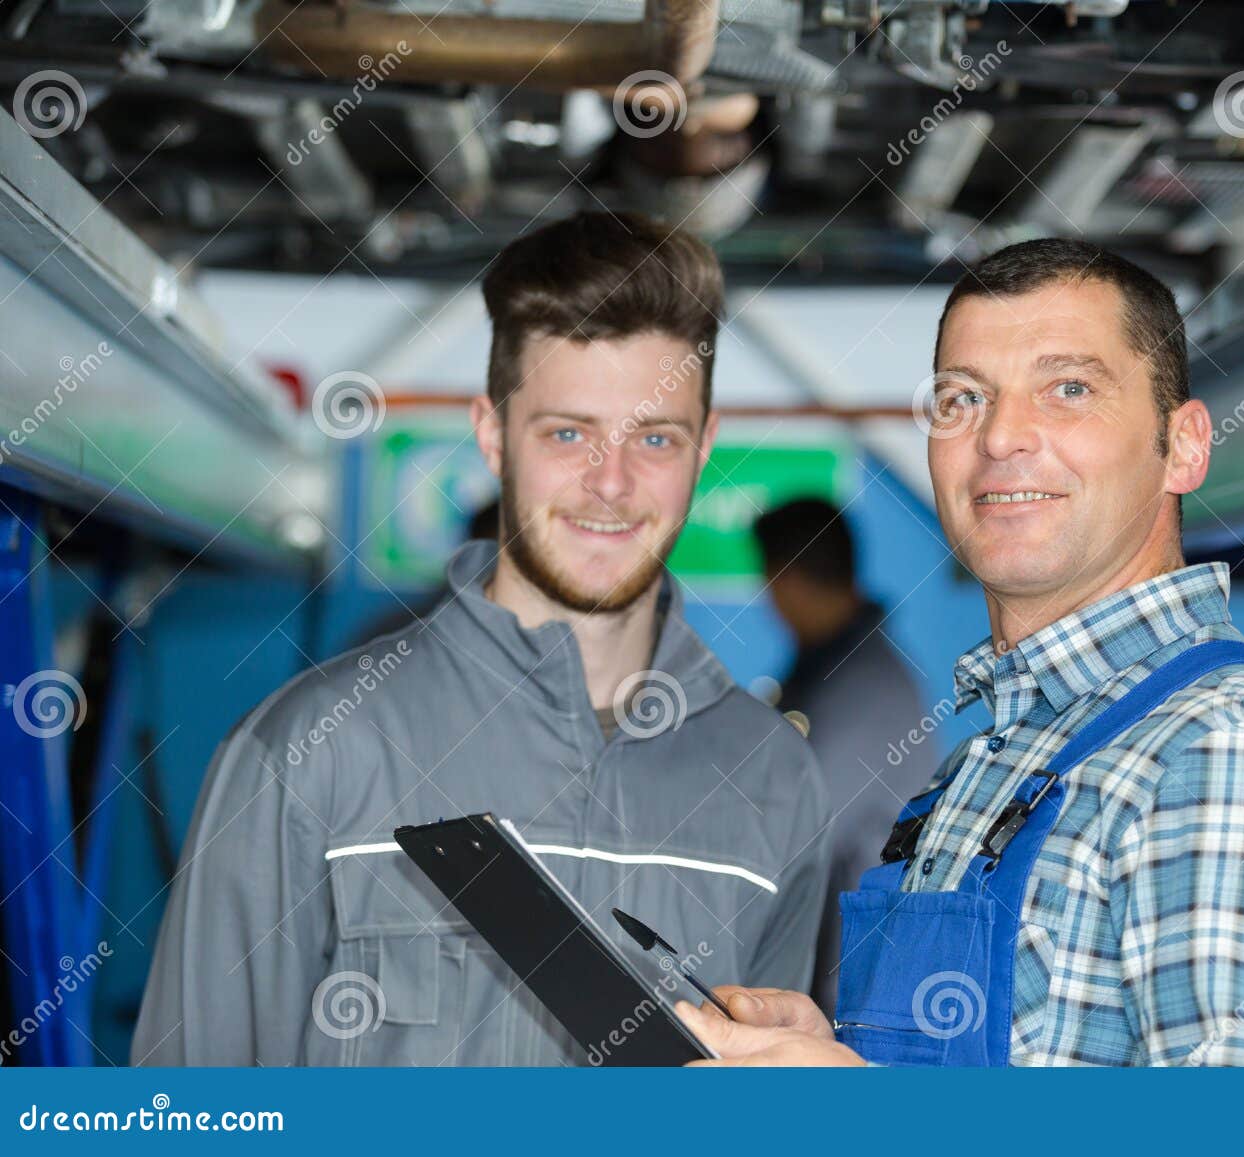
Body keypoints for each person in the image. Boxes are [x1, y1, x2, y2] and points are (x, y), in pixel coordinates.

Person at [676, 238, 1244, 1067]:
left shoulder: (1230, 753)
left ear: (1185, 445)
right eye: (962, 398)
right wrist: (835, 1049)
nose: (1001, 438)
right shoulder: (990, 762)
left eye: (1069, 389)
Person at [132, 212, 830, 1066]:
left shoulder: (775, 782)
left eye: (654, 438)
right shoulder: (311, 752)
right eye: (568, 433)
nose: (610, 482)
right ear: (493, 433)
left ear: (703, 447)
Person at [751, 498, 941, 1018]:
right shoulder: (831, 672)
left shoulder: (863, 688)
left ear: (783, 580)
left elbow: (792, 835)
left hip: (852, 989)